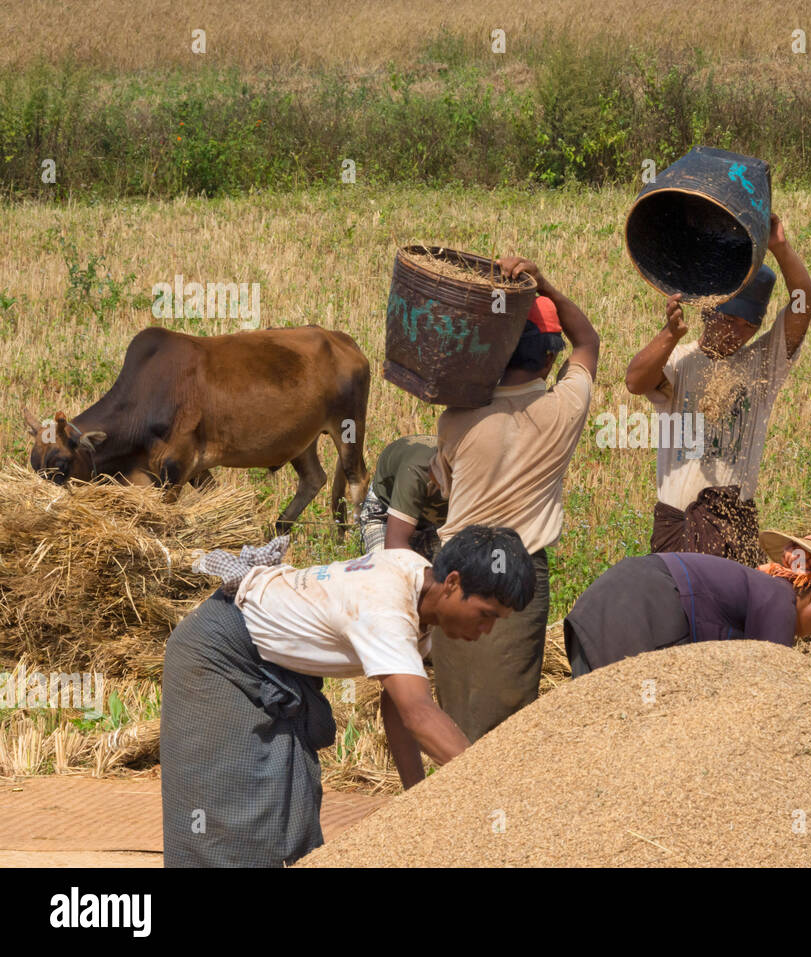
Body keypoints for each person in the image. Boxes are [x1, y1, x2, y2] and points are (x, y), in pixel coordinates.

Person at [160, 525, 534, 867]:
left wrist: (417, 797)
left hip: (272, 665)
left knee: (287, 795)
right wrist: (489, 787)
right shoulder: (386, 604)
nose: (486, 629)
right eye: (485, 614)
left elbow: (399, 707)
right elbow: (418, 713)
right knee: (228, 801)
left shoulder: (415, 578)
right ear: (452, 583)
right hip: (217, 653)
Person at [427, 255, 599, 743]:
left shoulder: (456, 418)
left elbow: (444, 486)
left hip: (454, 572)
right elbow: (588, 341)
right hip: (516, 574)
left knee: (454, 710)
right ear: (548, 358)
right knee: (507, 728)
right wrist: (545, 283)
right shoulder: (563, 408)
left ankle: (449, 807)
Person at [624, 213, 811, 565]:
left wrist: (780, 247)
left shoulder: (762, 366)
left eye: (749, 326)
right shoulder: (681, 362)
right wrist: (669, 334)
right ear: (709, 312)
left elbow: (805, 306)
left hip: (733, 524)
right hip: (677, 523)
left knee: (730, 618)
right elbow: (635, 381)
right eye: (729, 319)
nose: (737, 332)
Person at [564, 526, 811, 675]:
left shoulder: (759, 589)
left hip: (600, 608)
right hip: (643, 612)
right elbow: (770, 687)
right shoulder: (777, 599)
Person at [356, 434, 447, 560]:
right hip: (386, 516)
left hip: (434, 523)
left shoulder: (476, 476)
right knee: (387, 571)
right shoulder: (415, 471)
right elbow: (395, 548)